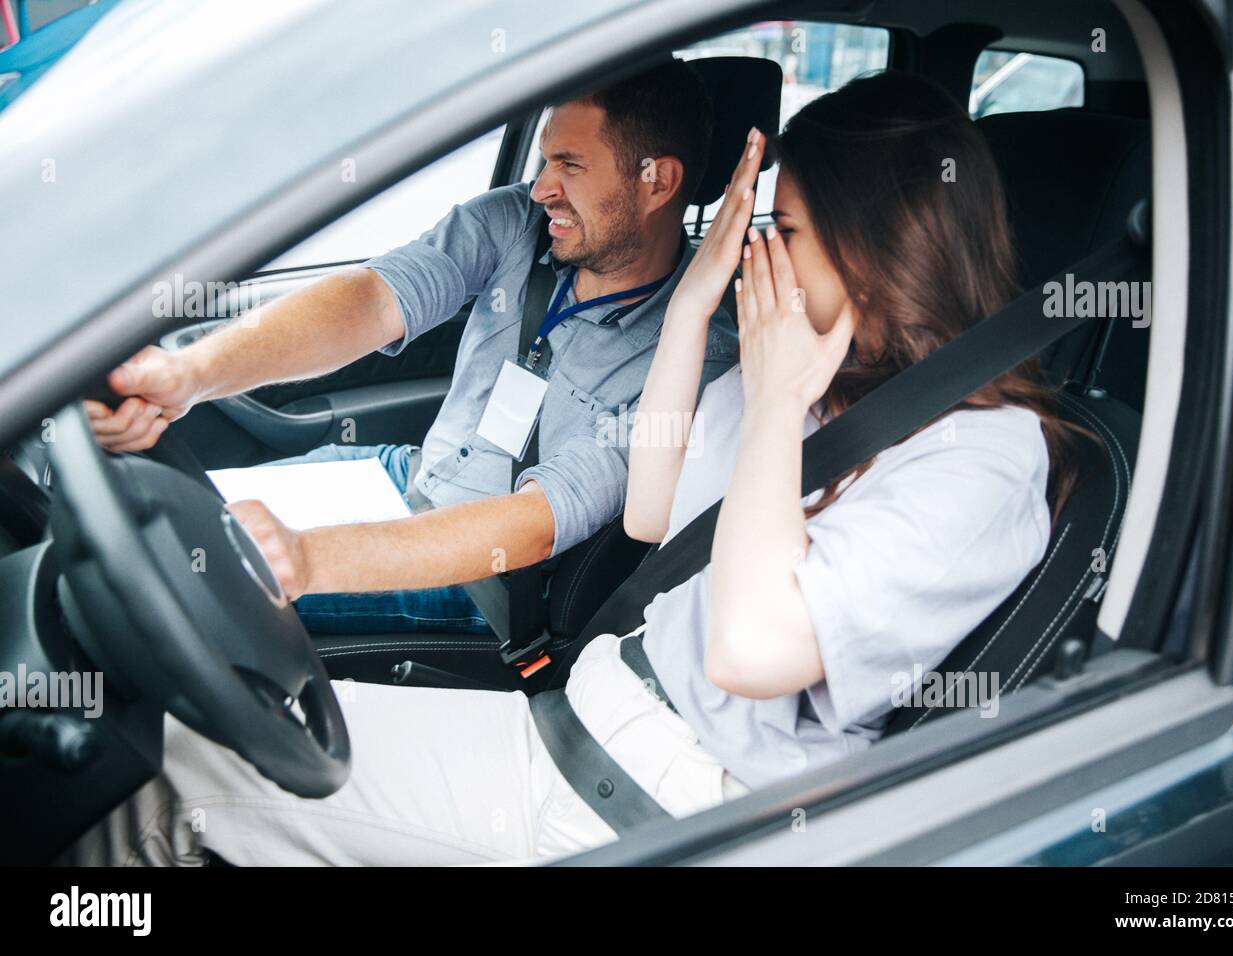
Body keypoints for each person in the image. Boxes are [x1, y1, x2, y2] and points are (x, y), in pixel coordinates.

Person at [70, 71, 1083, 866]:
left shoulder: (978, 461)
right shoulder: (819, 390)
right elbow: (652, 507)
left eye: (788, 235)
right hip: (587, 722)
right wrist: (697, 300)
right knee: (175, 718)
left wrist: (768, 395)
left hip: (643, 790)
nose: (764, 260)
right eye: (761, 231)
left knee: (174, 771)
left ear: (873, 253)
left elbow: (745, 646)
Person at [85, 59, 738, 635]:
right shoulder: (516, 224)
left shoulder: (694, 354)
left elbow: (538, 519)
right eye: (543, 161)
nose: (542, 187)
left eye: (569, 165)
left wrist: (308, 557)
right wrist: (192, 373)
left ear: (657, 181)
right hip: (407, 475)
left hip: (477, 576)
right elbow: (370, 301)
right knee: (142, 521)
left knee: (152, 589)